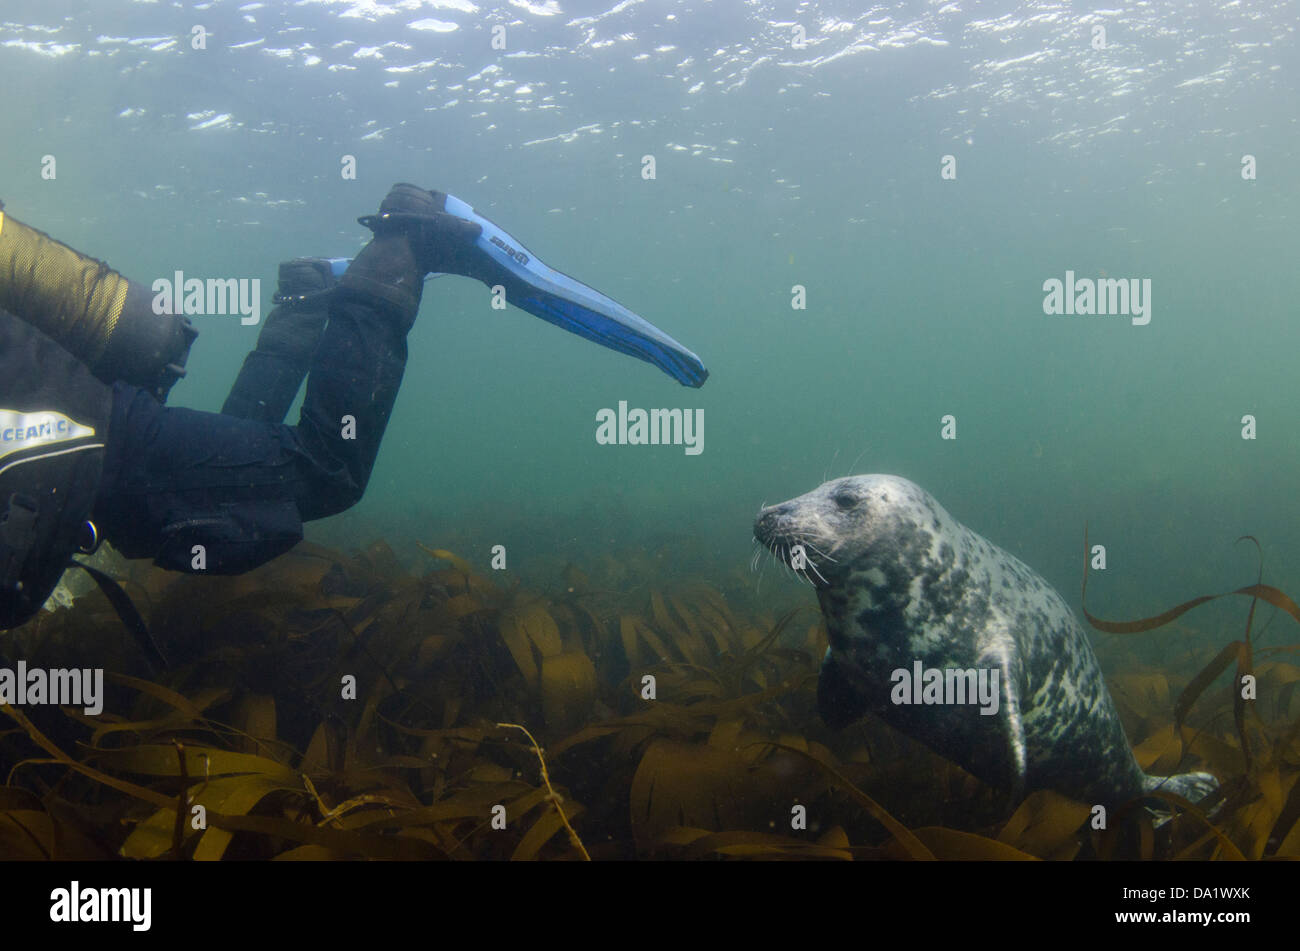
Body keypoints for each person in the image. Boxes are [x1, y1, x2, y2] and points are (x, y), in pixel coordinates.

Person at [0, 183, 708, 632]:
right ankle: (310, 299)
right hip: (69, 437)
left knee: (324, 468)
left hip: (67, 435)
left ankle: (406, 245)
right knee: (234, 470)